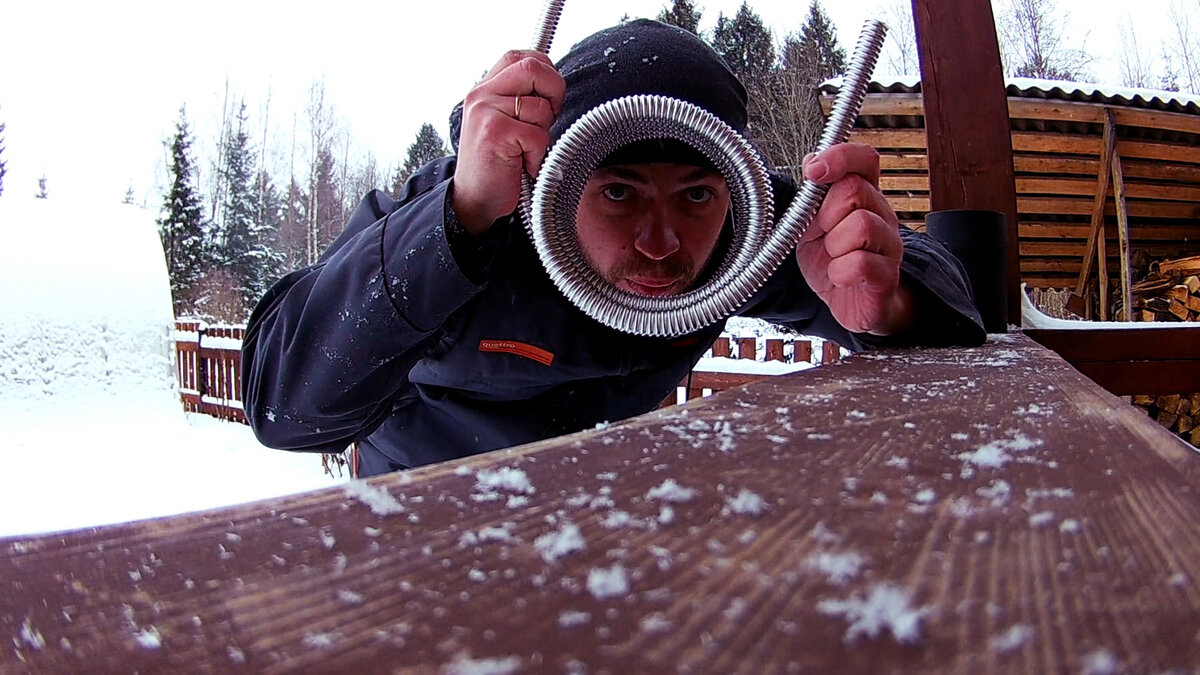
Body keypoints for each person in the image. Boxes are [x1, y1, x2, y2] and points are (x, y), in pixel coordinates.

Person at [241, 20, 985, 477]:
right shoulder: (462, 219)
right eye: (620, 192)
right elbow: (282, 405)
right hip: (421, 520)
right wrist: (456, 221)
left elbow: (947, 291)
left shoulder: (742, 237)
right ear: (557, 182)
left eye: (695, 195)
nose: (662, 243)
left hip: (597, 534)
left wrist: (890, 299)